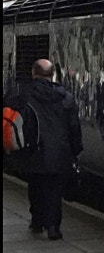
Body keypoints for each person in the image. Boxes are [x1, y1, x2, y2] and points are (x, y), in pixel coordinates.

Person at [13, 59, 83, 240]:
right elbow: (74, 127)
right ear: (53, 75)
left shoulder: (24, 94)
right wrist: (75, 150)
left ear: (33, 73)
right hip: (59, 152)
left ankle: (37, 220)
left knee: (35, 187)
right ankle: (54, 227)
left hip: (33, 150)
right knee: (54, 190)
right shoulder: (66, 97)